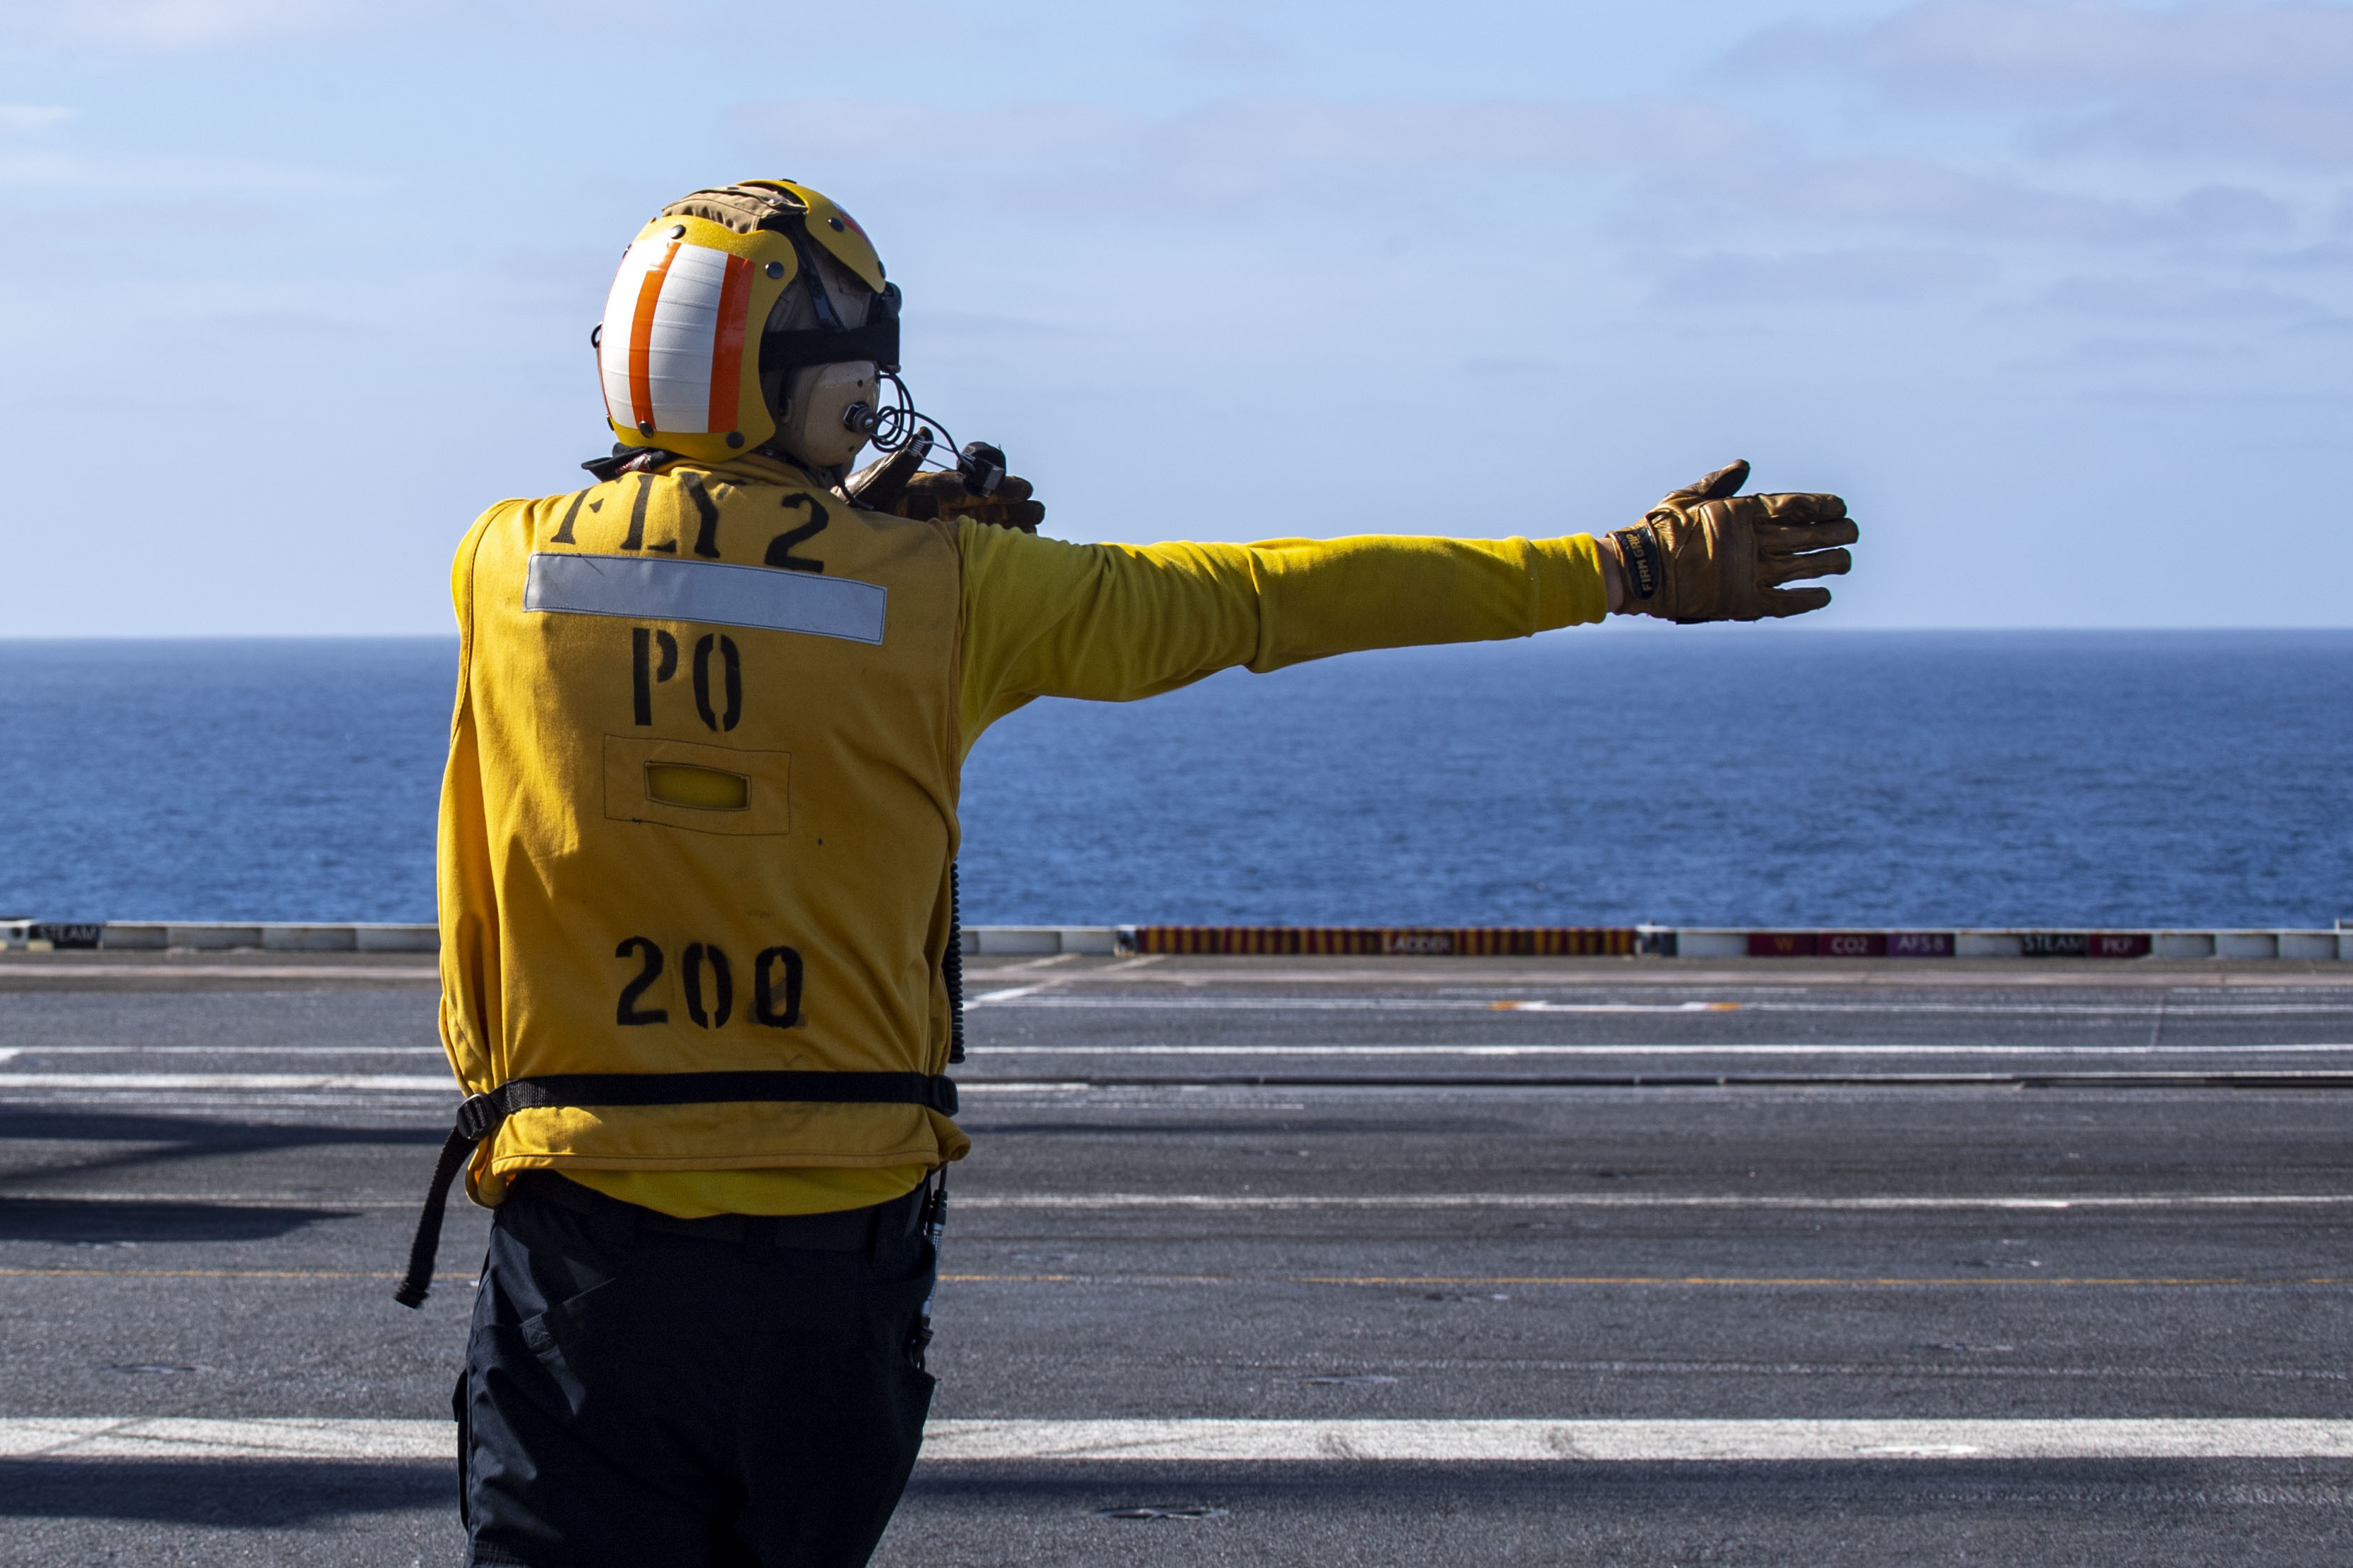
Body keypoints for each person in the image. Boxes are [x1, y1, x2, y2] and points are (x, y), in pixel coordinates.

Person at [404, 178, 1857, 1567]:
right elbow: (1275, 596)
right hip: (834, 1259)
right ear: (822, 388)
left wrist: (859, 536)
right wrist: (1626, 565)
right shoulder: (953, 593)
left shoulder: (502, 566)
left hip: (585, 1244)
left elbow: (696, 605)